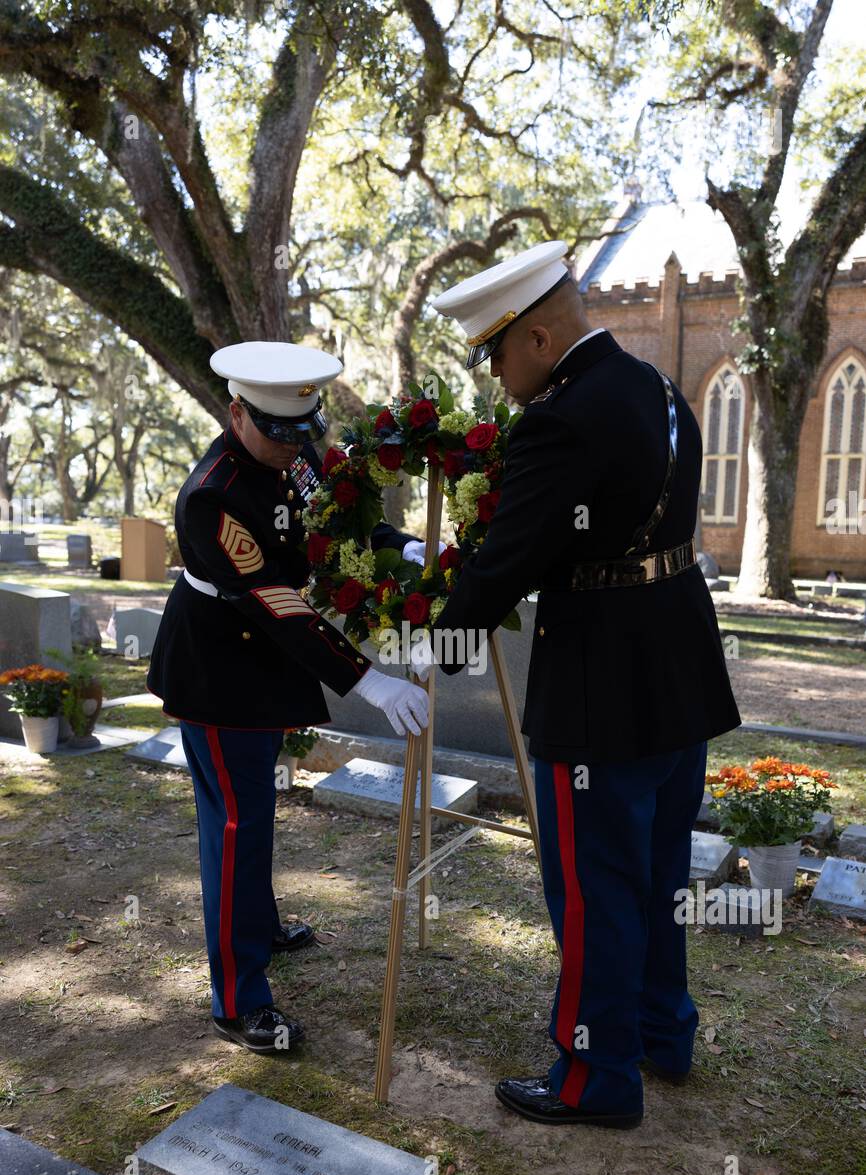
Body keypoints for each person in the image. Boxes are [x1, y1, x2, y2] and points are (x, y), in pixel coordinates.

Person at [411, 240, 741, 1127]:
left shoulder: (561, 420)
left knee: (596, 891)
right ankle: (664, 1036)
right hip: (678, 675)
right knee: (659, 872)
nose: (497, 374)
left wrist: (429, 652)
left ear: (541, 336)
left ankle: (597, 1076)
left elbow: (503, 566)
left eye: (498, 352)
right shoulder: (661, 391)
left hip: (602, 688)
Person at [147, 342, 430, 1055]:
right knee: (236, 829)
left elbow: (336, 525)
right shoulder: (211, 497)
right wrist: (367, 679)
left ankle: (260, 924)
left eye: (302, 432)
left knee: (259, 809)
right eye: (276, 432)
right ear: (236, 412)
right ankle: (239, 1002)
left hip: (265, 665)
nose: (291, 449)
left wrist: (404, 547)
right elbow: (275, 601)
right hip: (219, 672)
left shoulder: (294, 452)